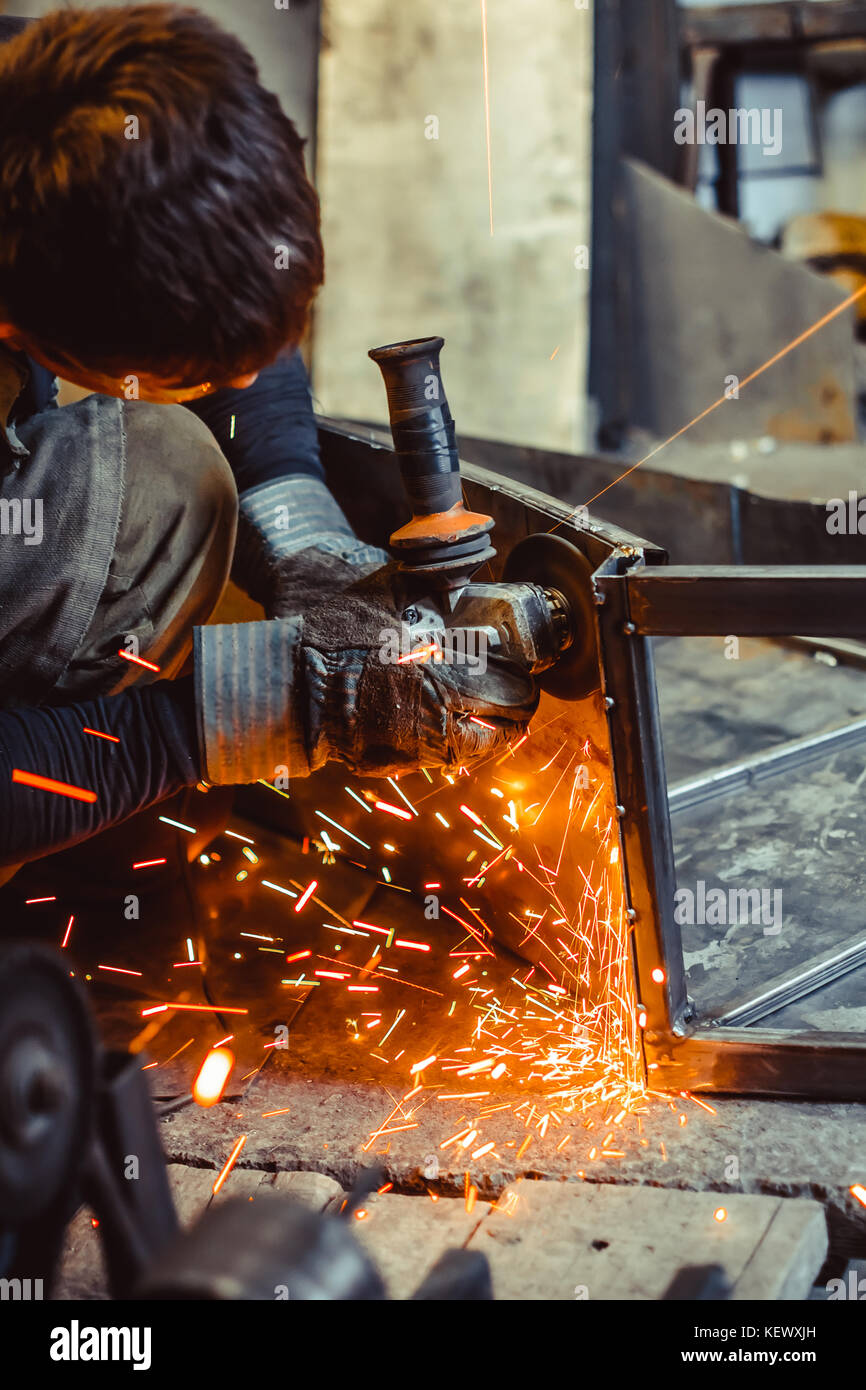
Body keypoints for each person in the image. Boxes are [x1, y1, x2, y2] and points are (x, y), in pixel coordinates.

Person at [0, 5, 536, 869]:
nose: (248, 384)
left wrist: (303, 543)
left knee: (164, 479)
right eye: (198, 366)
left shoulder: (62, 103)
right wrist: (225, 718)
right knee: (165, 483)